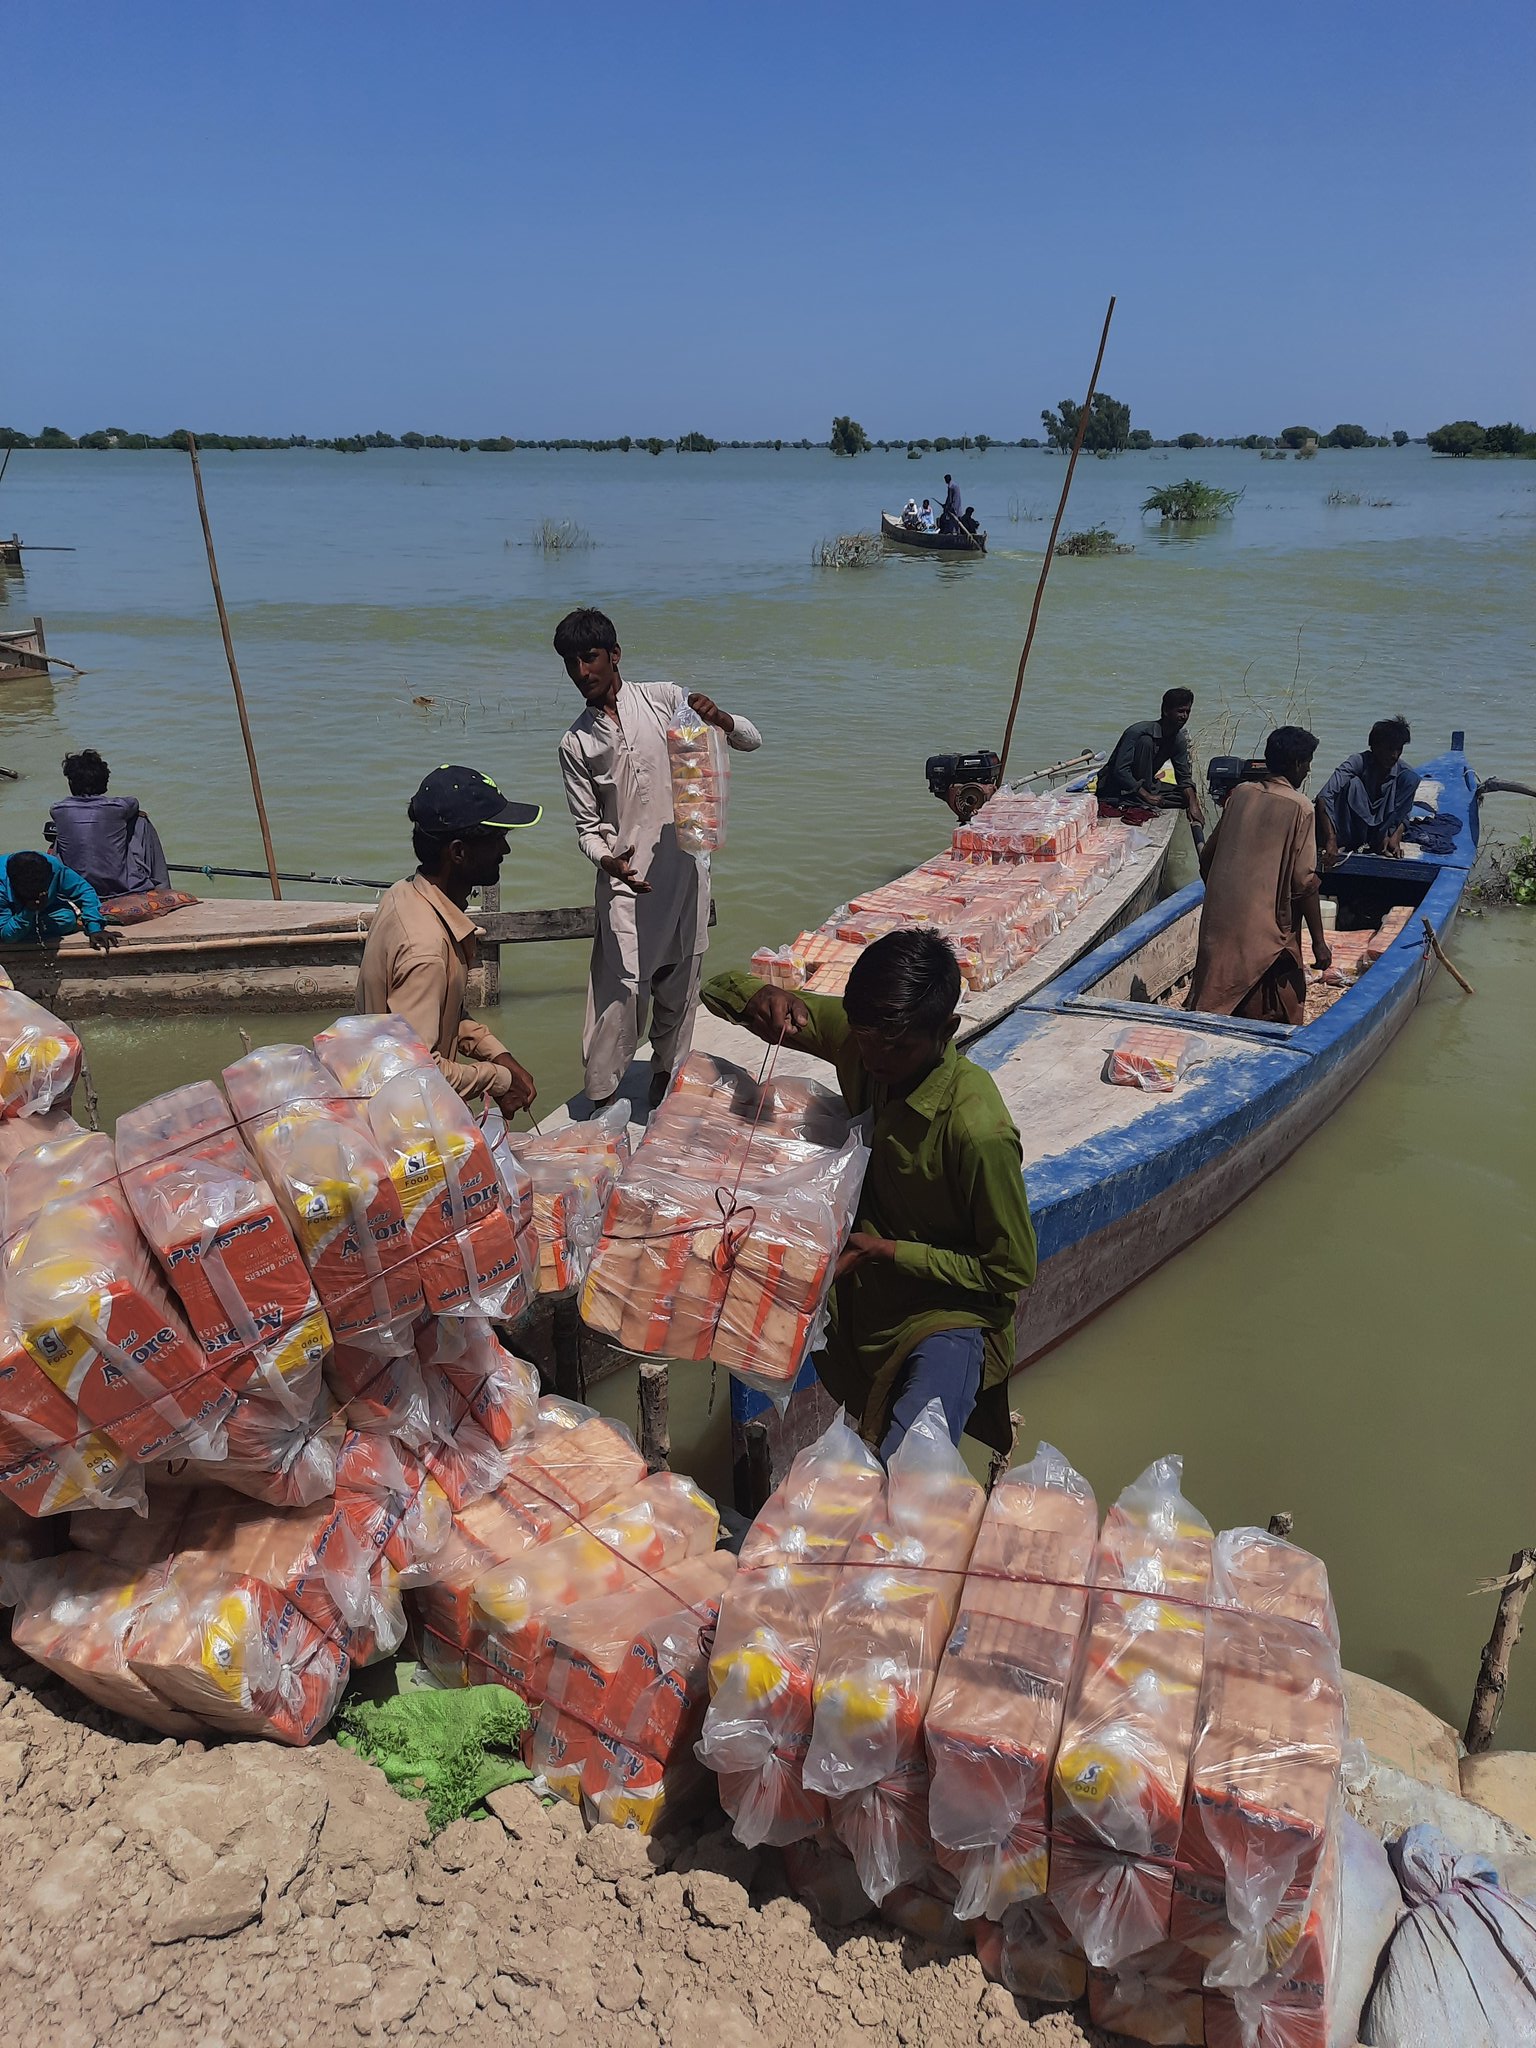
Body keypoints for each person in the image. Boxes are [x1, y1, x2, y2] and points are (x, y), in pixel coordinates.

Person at [703, 928, 1037, 1462]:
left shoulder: (977, 1131)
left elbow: (1012, 1270)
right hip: (867, 1307)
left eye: (898, 1048)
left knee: (913, 1470)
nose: (877, 1060)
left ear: (945, 1030)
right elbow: (717, 989)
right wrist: (761, 1000)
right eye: (864, 1039)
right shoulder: (865, 1041)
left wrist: (889, 1251)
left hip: (949, 1316)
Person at [555, 607, 763, 1111]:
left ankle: (666, 1076)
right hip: (627, 887)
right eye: (572, 663)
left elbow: (750, 740)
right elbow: (588, 830)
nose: (583, 672)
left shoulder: (665, 700)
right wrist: (608, 862)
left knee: (680, 986)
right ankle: (602, 1096)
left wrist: (721, 719)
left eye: (591, 658)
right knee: (619, 998)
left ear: (615, 655)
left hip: (686, 872)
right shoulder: (575, 742)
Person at [355, 766, 540, 1106]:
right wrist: (497, 1081)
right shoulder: (425, 950)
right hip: (403, 1123)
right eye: (495, 839)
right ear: (458, 852)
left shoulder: (403, 893)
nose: (505, 850)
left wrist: (495, 1053)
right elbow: (416, 1073)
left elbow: (442, 1015)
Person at [1186, 725, 1331, 1025]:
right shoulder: (1301, 807)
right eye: (1306, 764)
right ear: (1296, 765)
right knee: (1284, 996)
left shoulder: (1239, 793)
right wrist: (1319, 942)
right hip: (1264, 935)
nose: (1307, 771)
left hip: (1218, 924)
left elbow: (1207, 860)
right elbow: (1304, 883)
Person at [46, 749, 171, 898]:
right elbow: (134, 803)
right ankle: (162, 888)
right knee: (140, 820)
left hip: (75, 886)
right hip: (122, 886)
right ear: (104, 781)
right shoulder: (118, 807)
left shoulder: (58, 810)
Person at [1314, 716, 1421, 863]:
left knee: (1411, 779)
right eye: (1389, 749)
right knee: (1353, 784)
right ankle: (1344, 841)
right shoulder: (1358, 761)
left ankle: (1381, 842)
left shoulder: (1404, 774)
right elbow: (1324, 796)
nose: (1394, 755)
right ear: (1375, 747)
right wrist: (1330, 838)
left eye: (1399, 749)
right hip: (1350, 829)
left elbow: (1404, 814)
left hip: (1378, 832)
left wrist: (1395, 838)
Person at [1097, 688, 1205, 825]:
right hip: (1117, 787)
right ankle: (1139, 799)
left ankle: (1141, 799)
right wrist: (1147, 796)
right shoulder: (1137, 732)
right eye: (1180, 711)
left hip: (1147, 785)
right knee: (1146, 743)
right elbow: (1120, 771)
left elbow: (1183, 777)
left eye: (1187, 712)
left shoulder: (1178, 739)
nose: (1184, 716)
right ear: (1166, 711)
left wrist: (1193, 805)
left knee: (1186, 798)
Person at [0, 851, 120, 951]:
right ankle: (25, 927)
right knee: (9, 936)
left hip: (43, 911)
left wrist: (95, 928)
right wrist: (28, 911)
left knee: (66, 919)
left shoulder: (53, 867)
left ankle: (26, 930)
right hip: (8, 915)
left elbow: (84, 892)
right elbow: (8, 937)